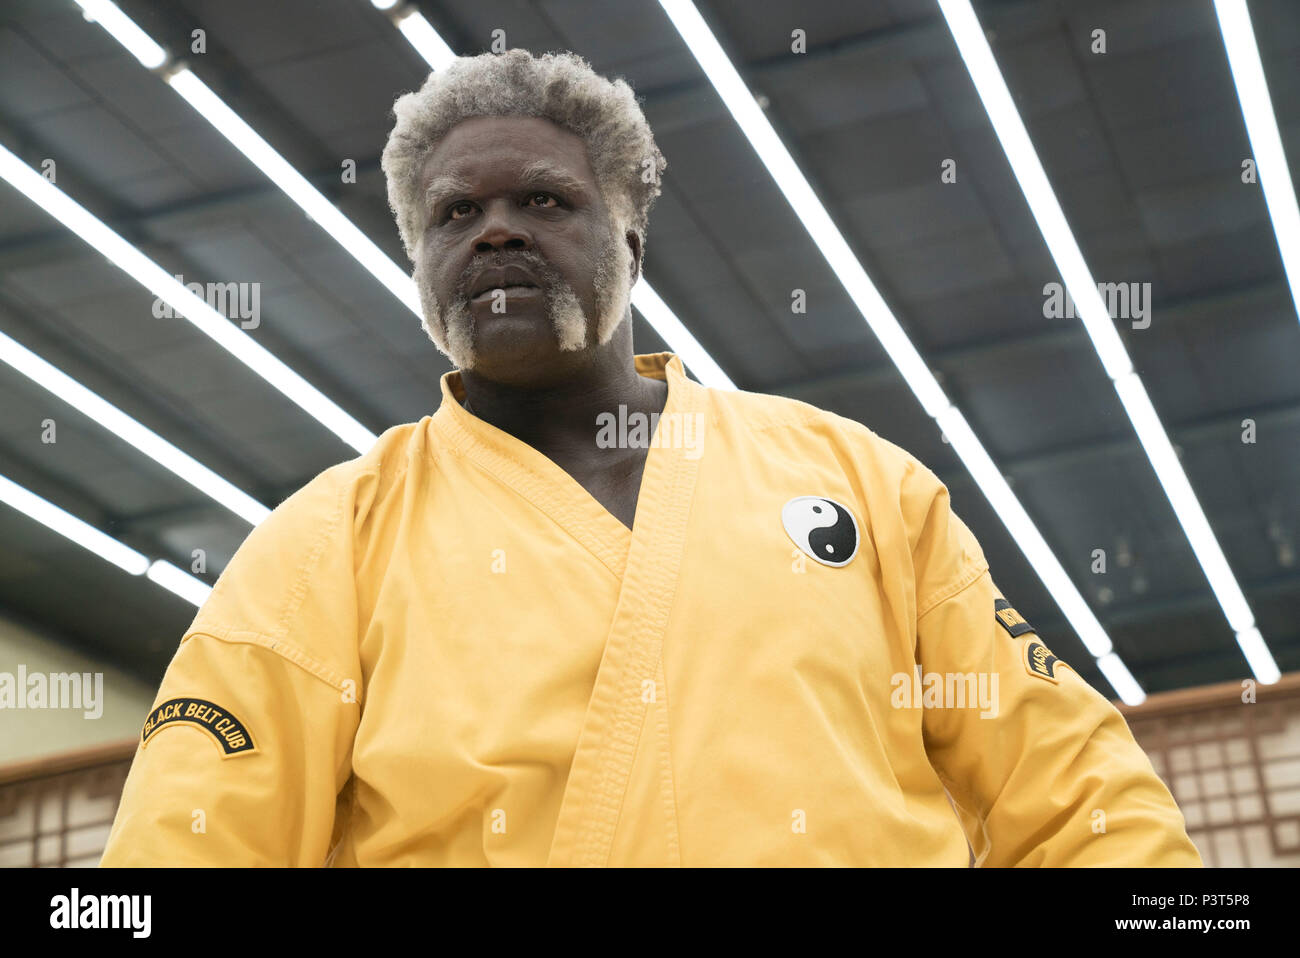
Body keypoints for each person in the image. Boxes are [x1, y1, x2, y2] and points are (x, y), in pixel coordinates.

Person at [100, 49, 1201, 867]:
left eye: (543, 200)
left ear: (630, 241)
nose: (494, 231)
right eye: (454, 214)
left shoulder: (858, 483)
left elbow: (1075, 788)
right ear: (420, 265)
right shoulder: (322, 544)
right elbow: (188, 846)